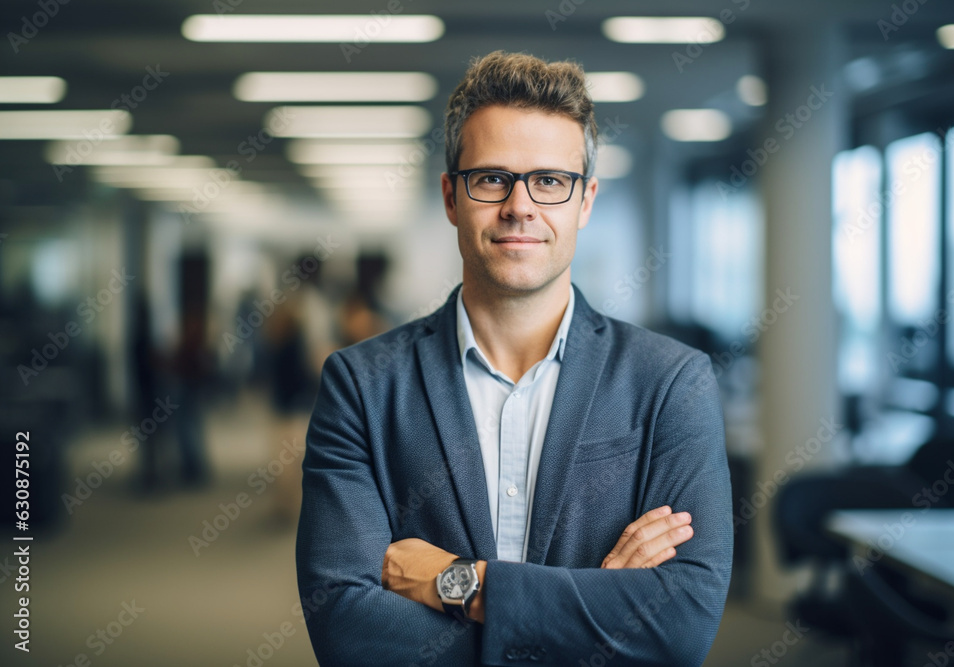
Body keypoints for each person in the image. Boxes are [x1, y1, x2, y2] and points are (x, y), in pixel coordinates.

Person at [296, 51, 733, 666]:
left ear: (585, 201)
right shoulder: (362, 386)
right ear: (451, 197)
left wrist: (463, 584)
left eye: (550, 181)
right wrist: (593, 614)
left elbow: (682, 623)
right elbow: (343, 623)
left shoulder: (670, 383)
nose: (520, 206)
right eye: (492, 178)